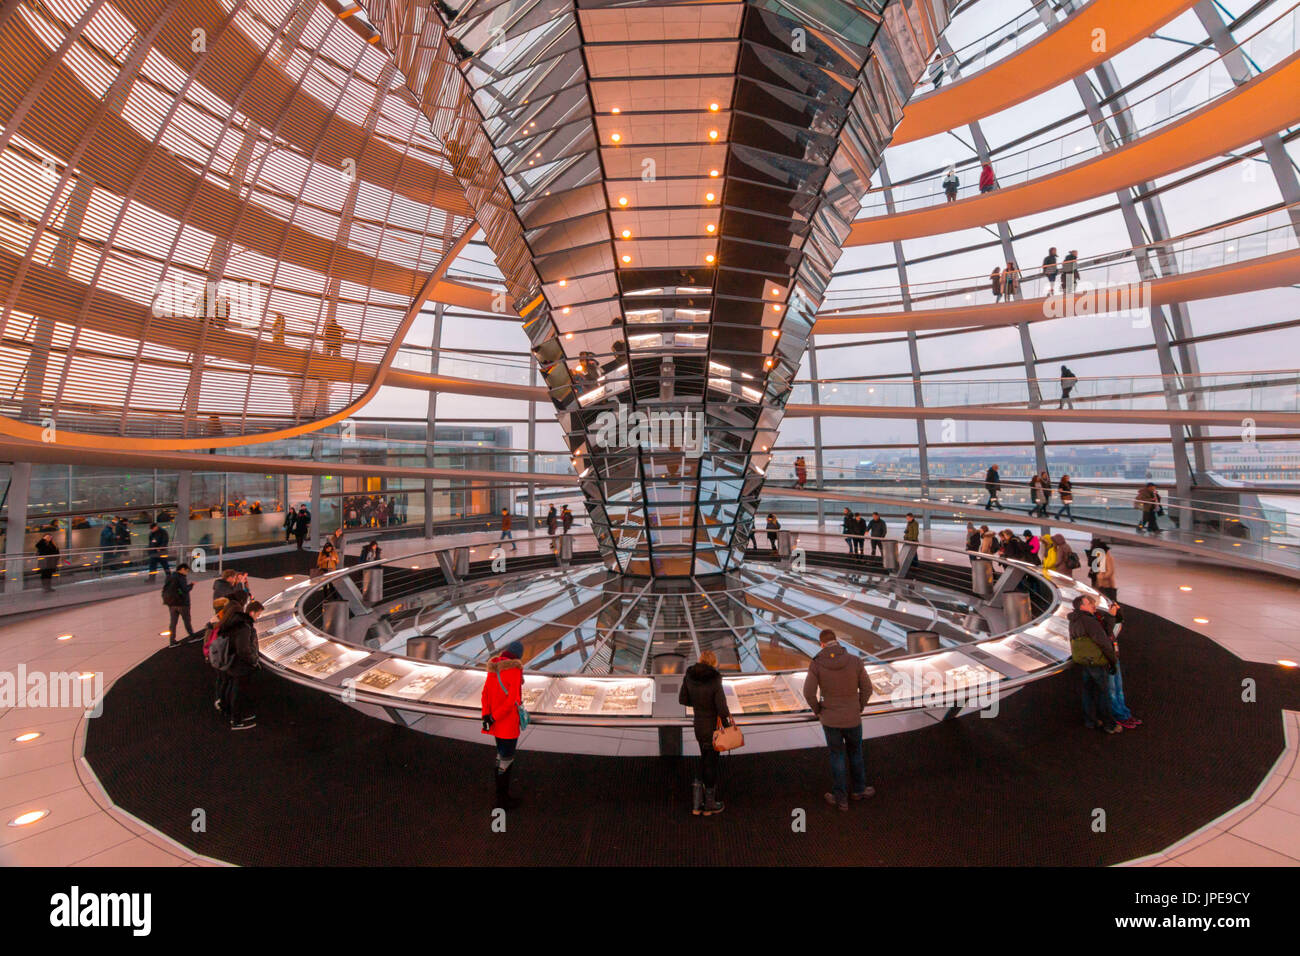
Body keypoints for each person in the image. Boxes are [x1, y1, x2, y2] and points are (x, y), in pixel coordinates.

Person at [803, 628, 873, 811]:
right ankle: (859, 790)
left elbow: (808, 693)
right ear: (837, 641)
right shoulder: (855, 661)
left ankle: (840, 798)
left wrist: (819, 710)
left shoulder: (816, 664)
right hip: (852, 717)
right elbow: (867, 688)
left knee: (837, 756)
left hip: (830, 719)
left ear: (822, 644)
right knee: (856, 753)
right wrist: (859, 706)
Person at [678, 649, 733, 816]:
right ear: (713, 662)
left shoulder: (689, 676)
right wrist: (727, 725)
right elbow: (722, 708)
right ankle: (709, 805)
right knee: (711, 764)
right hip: (713, 728)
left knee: (704, 759)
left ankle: (697, 804)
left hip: (699, 726)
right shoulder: (715, 680)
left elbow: (682, 699)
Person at [481, 639, 526, 809]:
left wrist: (488, 717)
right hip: (506, 724)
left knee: (500, 756)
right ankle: (502, 800)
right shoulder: (514, 670)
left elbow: (485, 693)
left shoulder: (494, 667)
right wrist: (495, 717)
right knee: (506, 759)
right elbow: (512, 701)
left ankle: (500, 796)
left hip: (495, 724)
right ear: (519, 656)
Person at [1068, 595, 1121, 734]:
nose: (1093, 604)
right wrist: (1112, 661)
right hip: (1096, 661)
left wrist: (1110, 617)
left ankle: (1090, 720)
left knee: (1088, 691)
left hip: (1085, 661)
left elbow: (1102, 633)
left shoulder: (1074, 620)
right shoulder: (1089, 621)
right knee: (1104, 693)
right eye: (1089, 603)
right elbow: (1103, 641)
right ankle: (1110, 724)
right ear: (1082, 606)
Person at [215, 596, 263, 731]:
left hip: (231, 663)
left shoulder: (229, 624)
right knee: (238, 691)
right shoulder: (243, 627)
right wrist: (253, 660)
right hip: (240, 665)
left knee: (233, 688)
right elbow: (243, 649)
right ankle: (236, 721)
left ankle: (232, 713)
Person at [1096, 601, 1141, 729]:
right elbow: (1108, 634)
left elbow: (1117, 626)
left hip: (1113, 657)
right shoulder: (1096, 622)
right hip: (1107, 659)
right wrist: (1111, 616)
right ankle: (1119, 715)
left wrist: (1117, 613)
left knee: (1118, 689)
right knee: (1112, 690)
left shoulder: (1103, 619)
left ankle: (1124, 714)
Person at [161, 563, 199, 647]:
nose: (187, 573)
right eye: (186, 571)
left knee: (173, 623)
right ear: (182, 569)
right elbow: (185, 589)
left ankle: (172, 641)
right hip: (182, 603)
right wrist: (191, 585)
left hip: (171, 603)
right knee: (187, 620)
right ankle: (192, 636)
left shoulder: (170, 577)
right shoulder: (181, 577)